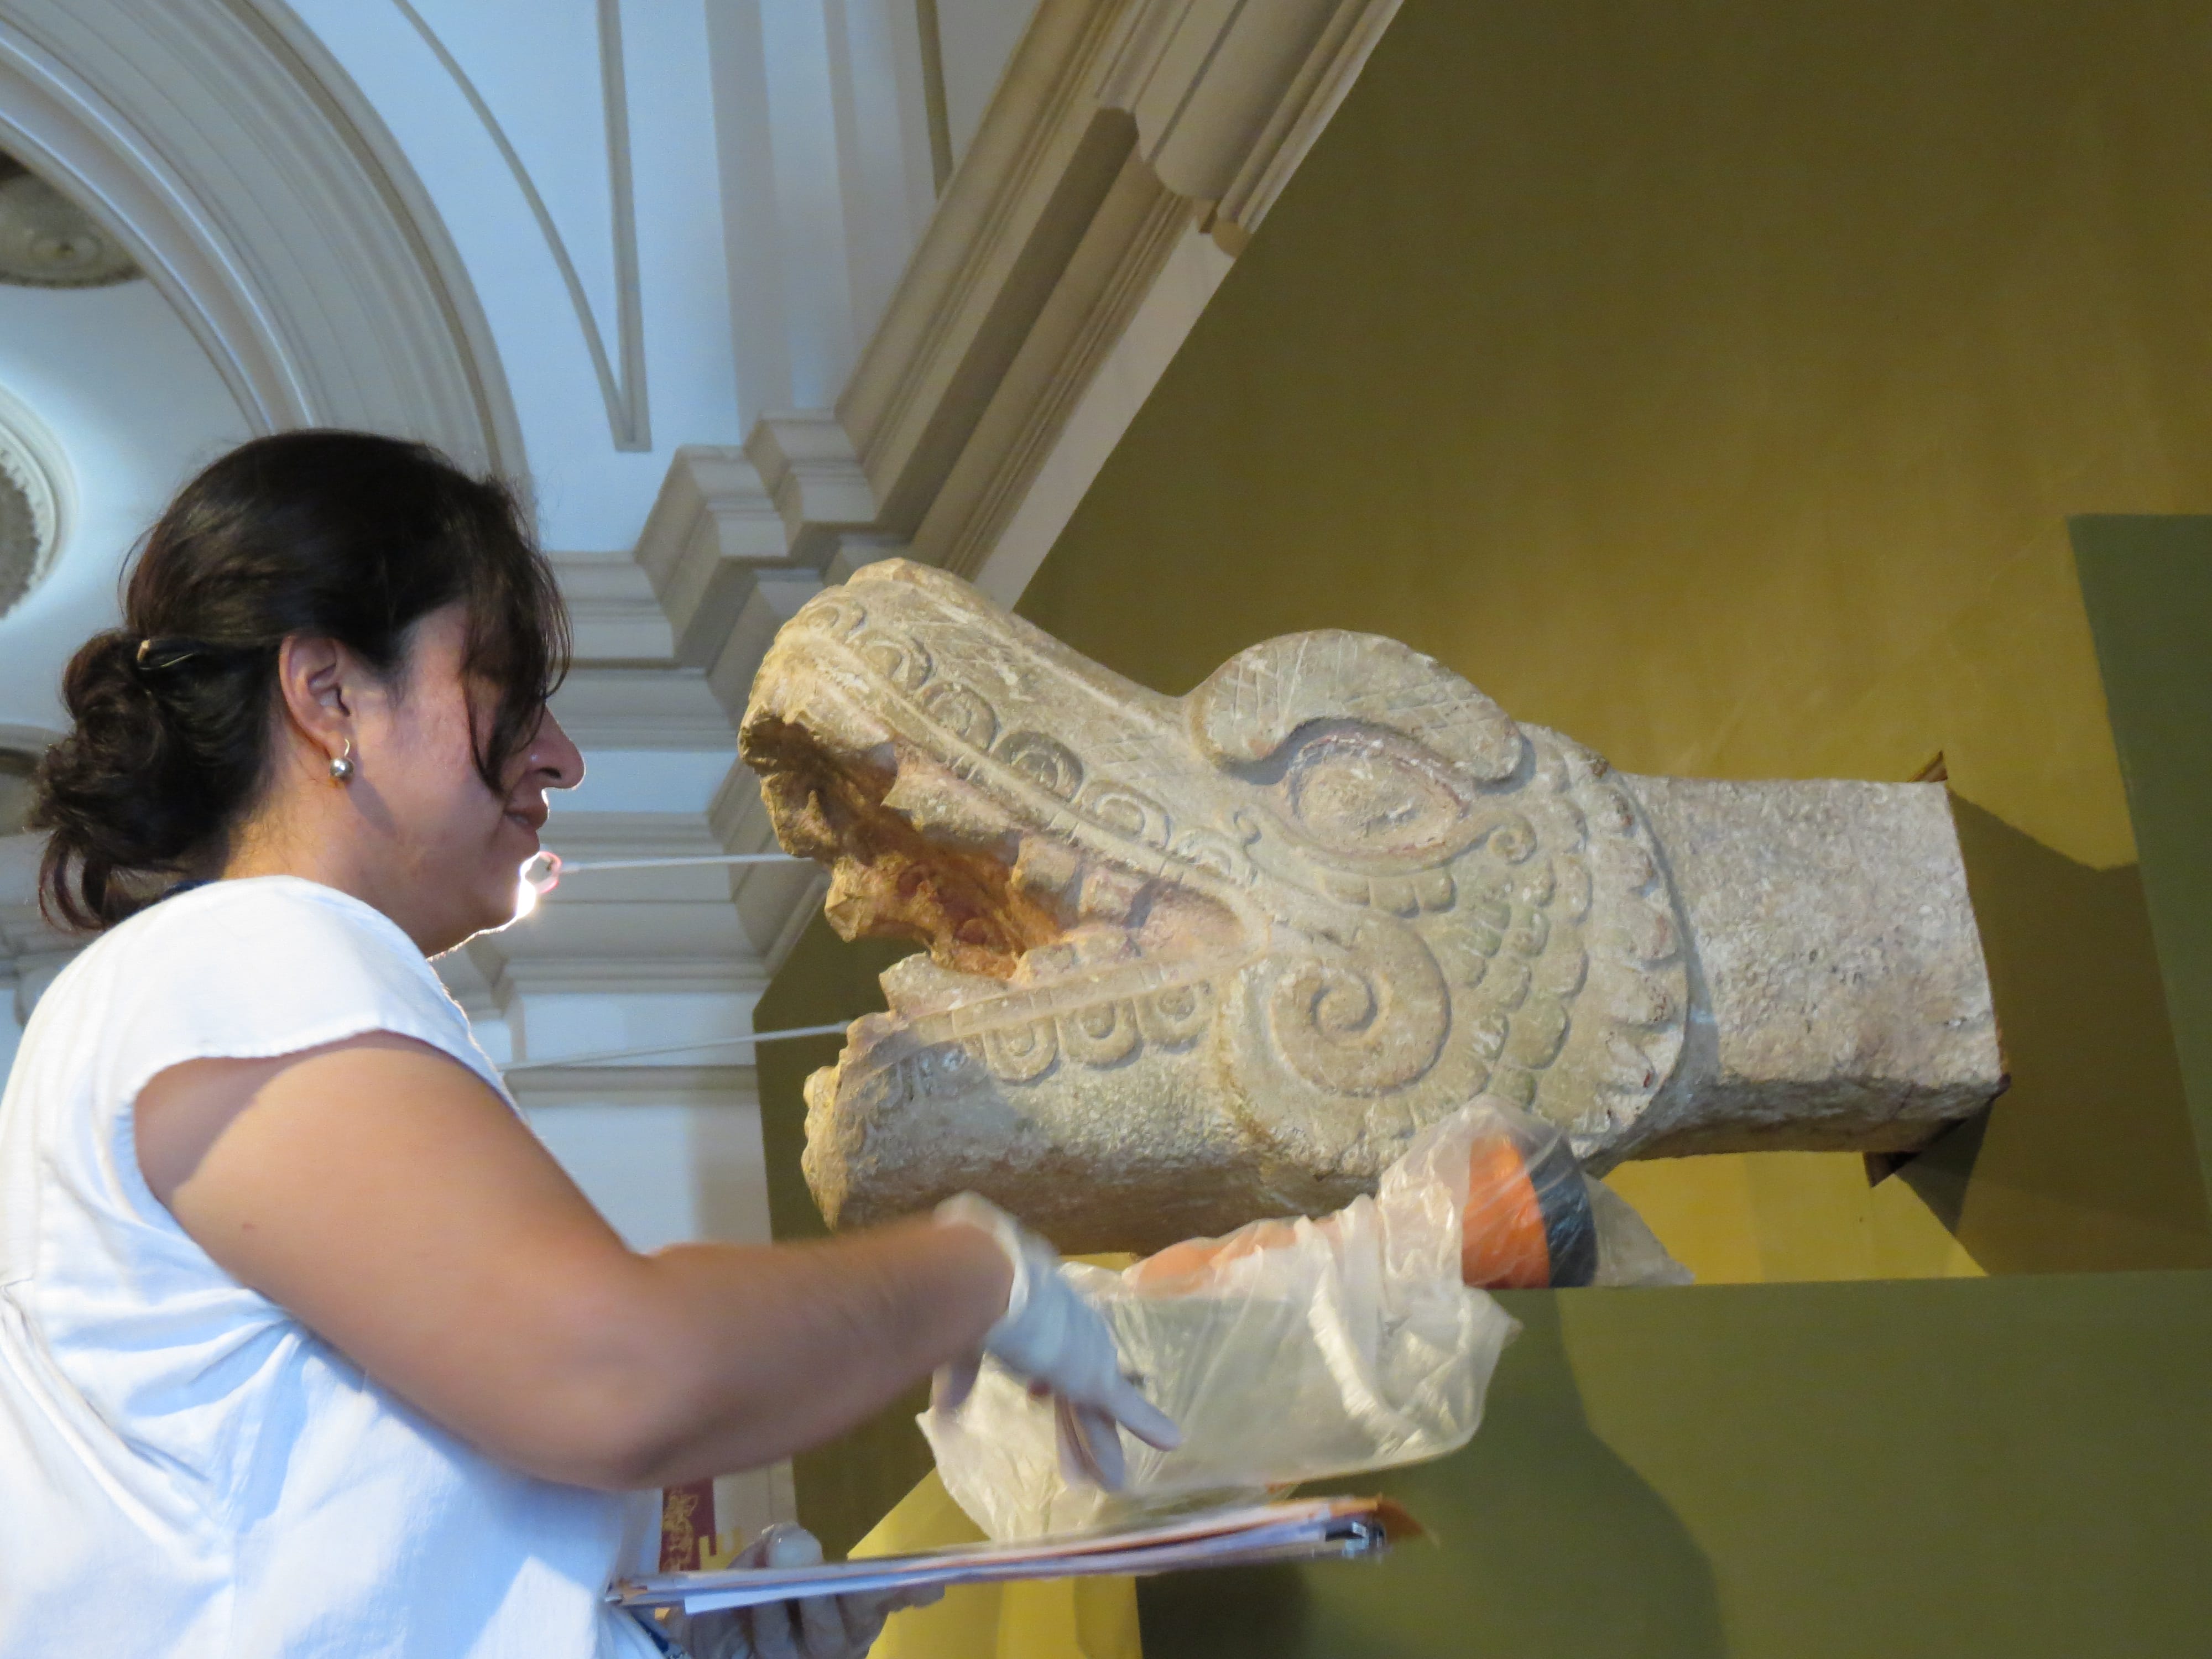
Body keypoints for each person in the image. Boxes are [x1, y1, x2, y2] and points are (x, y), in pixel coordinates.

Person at [0, 431, 1176, 1659]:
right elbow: (615, 1374)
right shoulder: (246, 958)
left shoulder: (224, 984)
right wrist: (975, 1279)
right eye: (501, 683)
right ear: (329, 694)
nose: (558, 754)